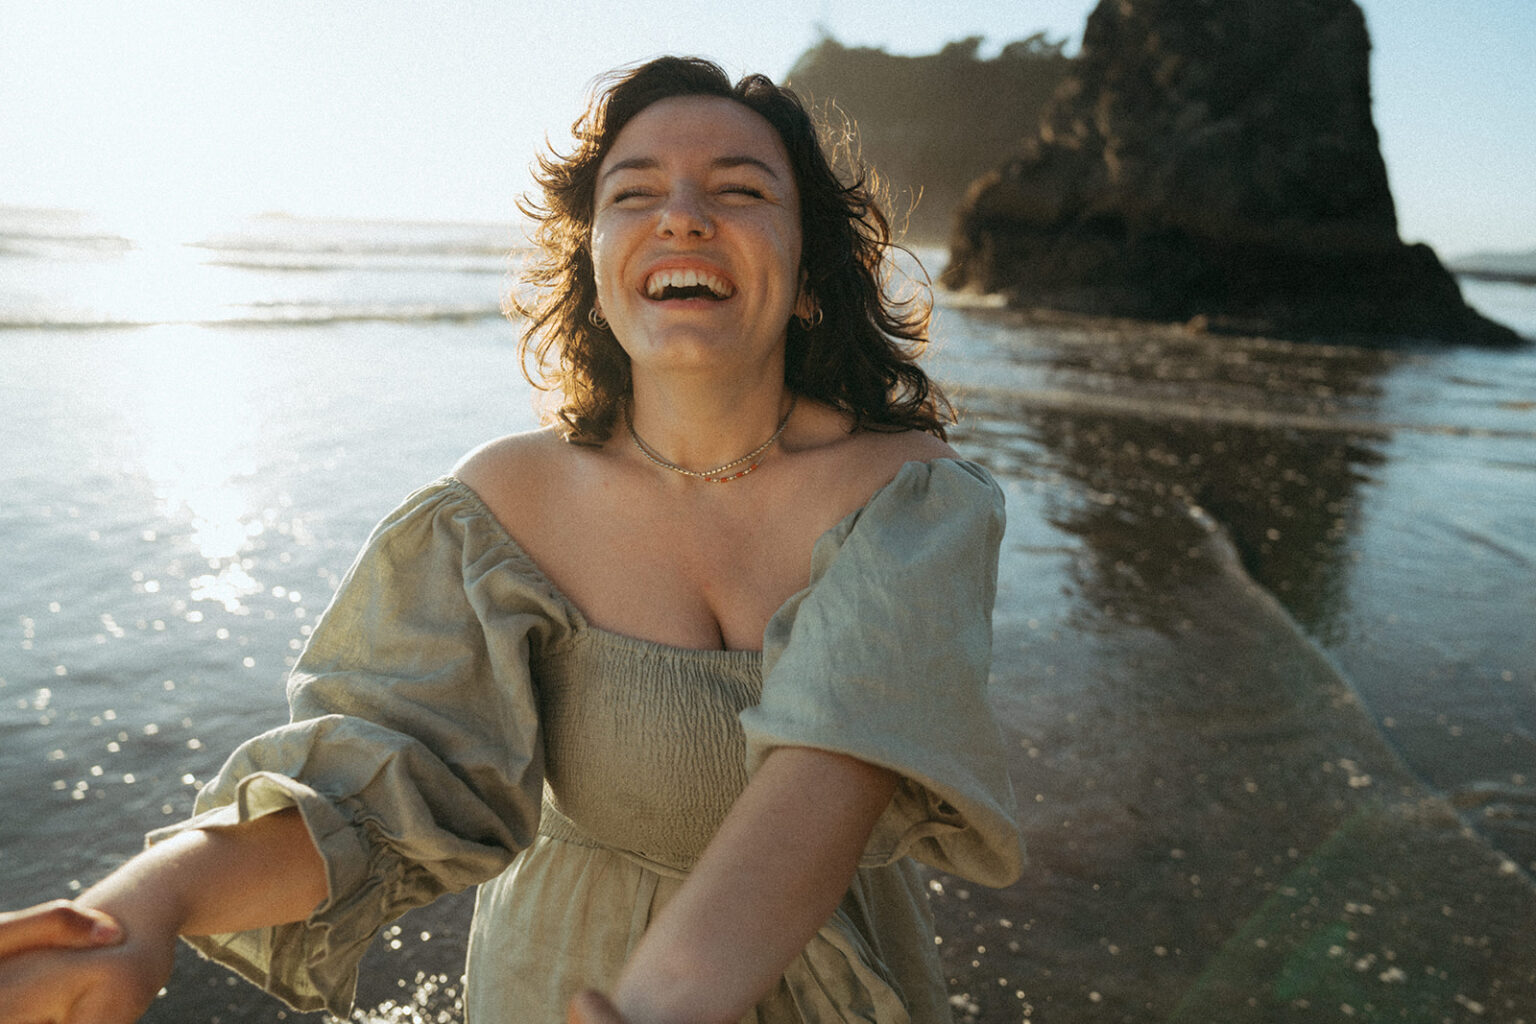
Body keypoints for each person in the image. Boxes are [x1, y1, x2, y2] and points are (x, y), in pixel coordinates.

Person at [0, 56, 1023, 1023]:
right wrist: (144, 905)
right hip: (559, 971)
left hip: (806, 977)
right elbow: (383, 774)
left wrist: (657, 1006)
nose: (682, 215)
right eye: (633, 193)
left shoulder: (908, 494)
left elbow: (834, 767)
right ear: (596, 266)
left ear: (809, 273)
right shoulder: (503, 505)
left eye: (741, 189)